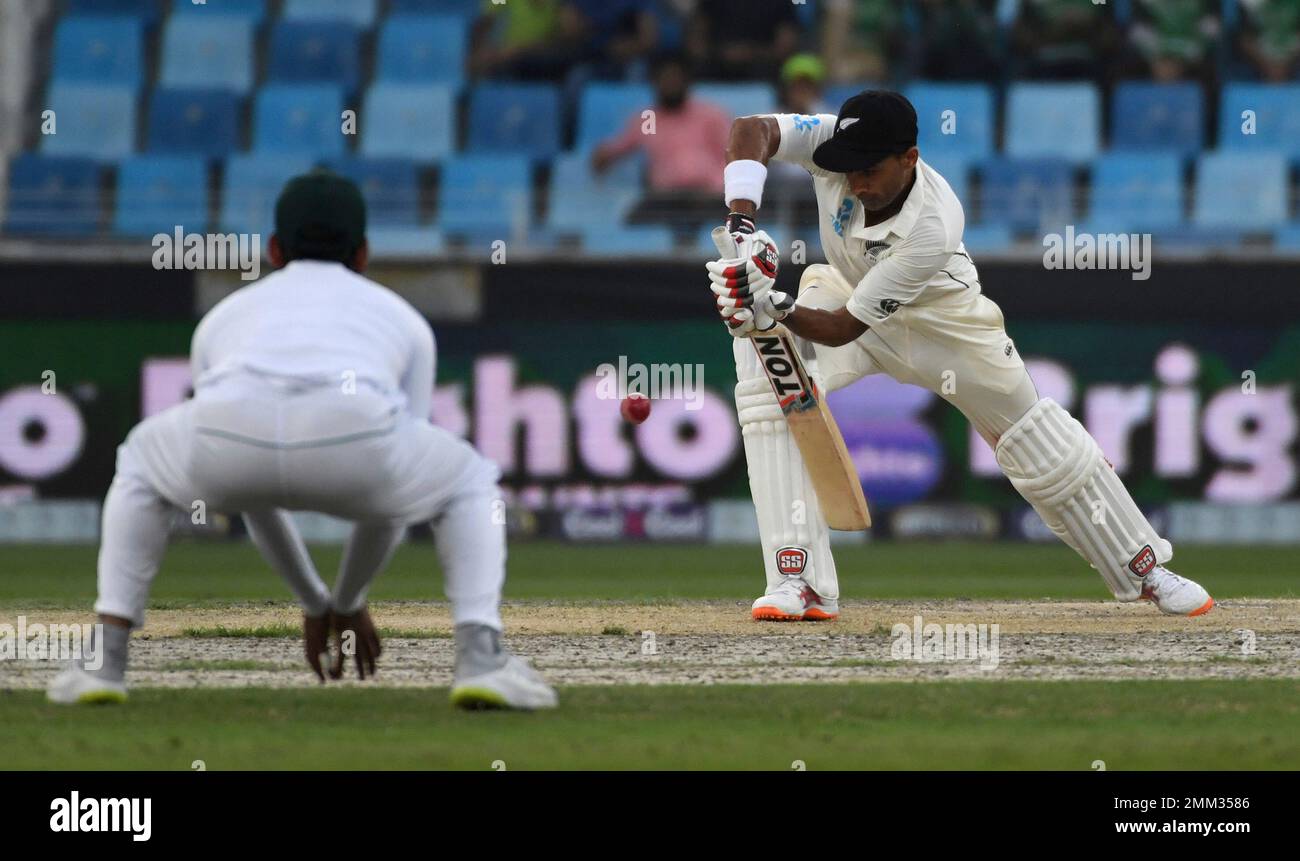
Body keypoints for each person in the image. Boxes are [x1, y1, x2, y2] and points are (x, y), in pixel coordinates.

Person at [47, 170, 557, 710]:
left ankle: (104, 662)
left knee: (140, 461)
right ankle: (480, 656)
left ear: (273, 250)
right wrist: (346, 600)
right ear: (363, 253)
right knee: (470, 479)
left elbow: (255, 492)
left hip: (227, 436)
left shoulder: (221, 320)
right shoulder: (404, 321)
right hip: (355, 433)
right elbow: (390, 500)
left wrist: (317, 605)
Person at [707, 91, 1215, 622]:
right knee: (768, 365)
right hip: (846, 289)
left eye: (870, 169)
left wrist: (773, 302)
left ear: (909, 158)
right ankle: (798, 580)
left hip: (945, 326)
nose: (855, 182)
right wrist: (742, 229)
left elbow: (841, 329)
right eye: (847, 167)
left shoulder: (934, 222)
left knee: (1037, 443)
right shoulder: (833, 141)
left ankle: (1146, 569)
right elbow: (751, 128)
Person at [592, 52, 730, 235]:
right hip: (664, 199)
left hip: (708, 196)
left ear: (687, 82)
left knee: (731, 227)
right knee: (632, 226)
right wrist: (604, 156)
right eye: (665, 79)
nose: (670, 84)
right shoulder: (650, 120)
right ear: (654, 83)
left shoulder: (709, 115)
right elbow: (623, 146)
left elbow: (733, 154)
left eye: (676, 79)